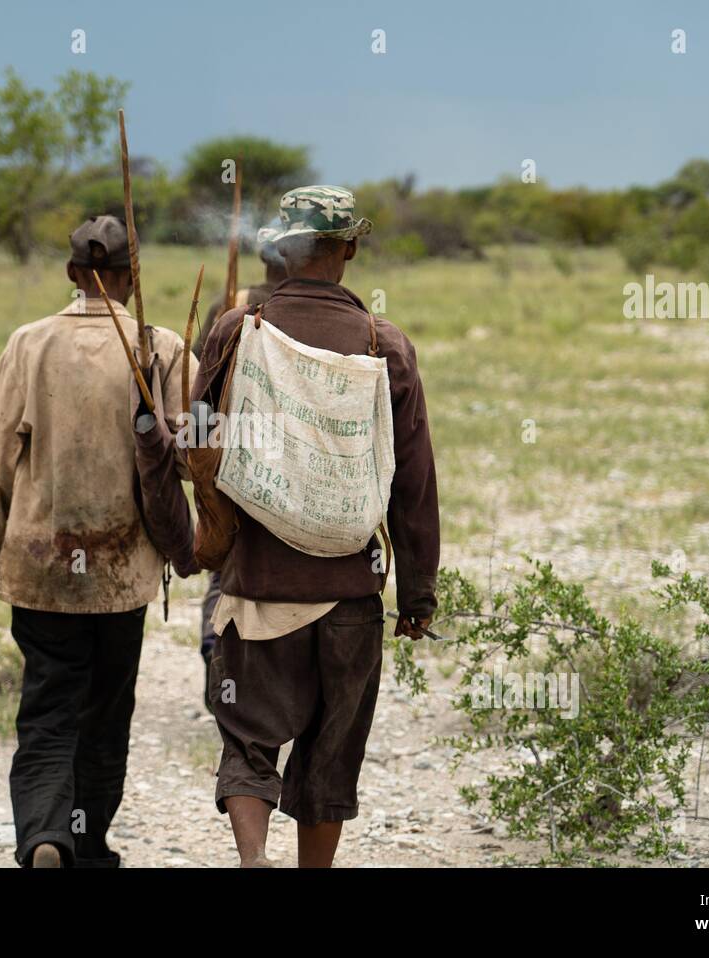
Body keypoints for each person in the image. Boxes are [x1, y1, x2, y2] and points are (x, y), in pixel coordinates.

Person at [190, 186, 440, 867]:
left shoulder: (235, 330)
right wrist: (416, 595)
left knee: (247, 742)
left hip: (256, 590)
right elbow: (412, 484)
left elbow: (199, 438)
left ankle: (251, 859)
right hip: (348, 599)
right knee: (329, 762)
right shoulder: (384, 343)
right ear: (349, 250)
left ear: (282, 251)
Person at [0, 215, 186, 868]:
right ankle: (88, 845)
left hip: (42, 571)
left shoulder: (27, 344)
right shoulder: (162, 348)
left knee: (49, 713)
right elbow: (205, 445)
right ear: (130, 277)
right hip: (122, 577)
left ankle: (43, 837)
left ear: (70, 274)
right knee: (106, 716)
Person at [191, 229, 289, 709]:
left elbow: (200, 392)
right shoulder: (311, 309)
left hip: (236, 455)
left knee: (227, 566)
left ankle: (219, 651)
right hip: (290, 460)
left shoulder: (230, 305)